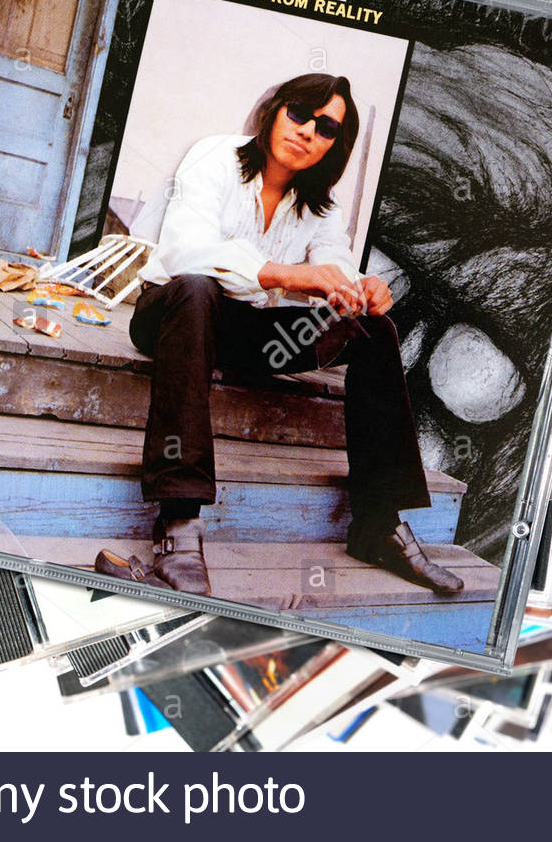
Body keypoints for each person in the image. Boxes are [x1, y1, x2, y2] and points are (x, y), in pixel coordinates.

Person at [95, 73, 464, 598]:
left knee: (372, 327)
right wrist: (282, 273)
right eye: (299, 113)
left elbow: (332, 264)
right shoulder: (215, 156)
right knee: (198, 289)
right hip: (171, 315)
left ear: (335, 145)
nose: (308, 131)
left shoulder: (321, 206)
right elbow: (182, 250)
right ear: (274, 110)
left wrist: (358, 289)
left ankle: (378, 525)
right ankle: (178, 526)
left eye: (327, 127)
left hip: (245, 335)